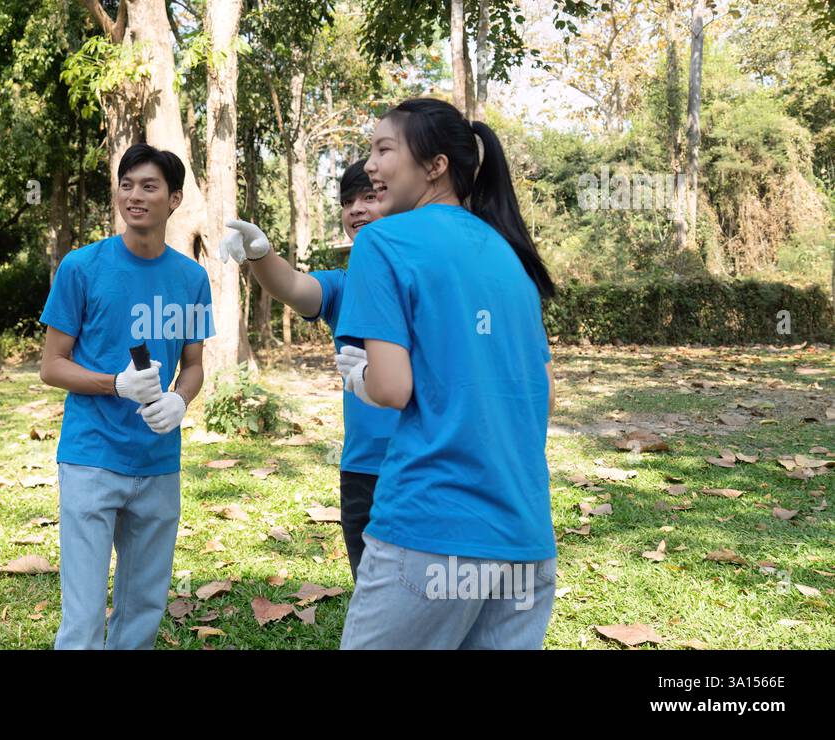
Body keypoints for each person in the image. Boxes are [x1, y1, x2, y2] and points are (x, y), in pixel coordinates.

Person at [334, 98, 558, 649]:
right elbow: (546, 395)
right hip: (524, 538)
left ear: (435, 166)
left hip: (430, 526)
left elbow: (392, 388)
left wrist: (359, 375)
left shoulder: (382, 243)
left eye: (385, 149)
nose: (371, 165)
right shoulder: (513, 258)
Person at [38, 143, 215, 649]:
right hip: (92, 457)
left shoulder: (192, 278)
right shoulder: (82, 267)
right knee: (84, 615)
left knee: (142, 611)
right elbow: (51, 366)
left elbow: (195, 365)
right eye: (127, 184)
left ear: (175, 199)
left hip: (158, 462)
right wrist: (114, 383)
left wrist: (181, 400)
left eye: (149, 186)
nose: (134, 196)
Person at [219, 159, 399, 583]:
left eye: (369, 197)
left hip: (424, 463)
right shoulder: (342, 284)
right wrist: (261, 255)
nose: (356, 209)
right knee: (373, 595)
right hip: (362, 471)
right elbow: (296, 287)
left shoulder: (432, 275)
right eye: (347, 201)